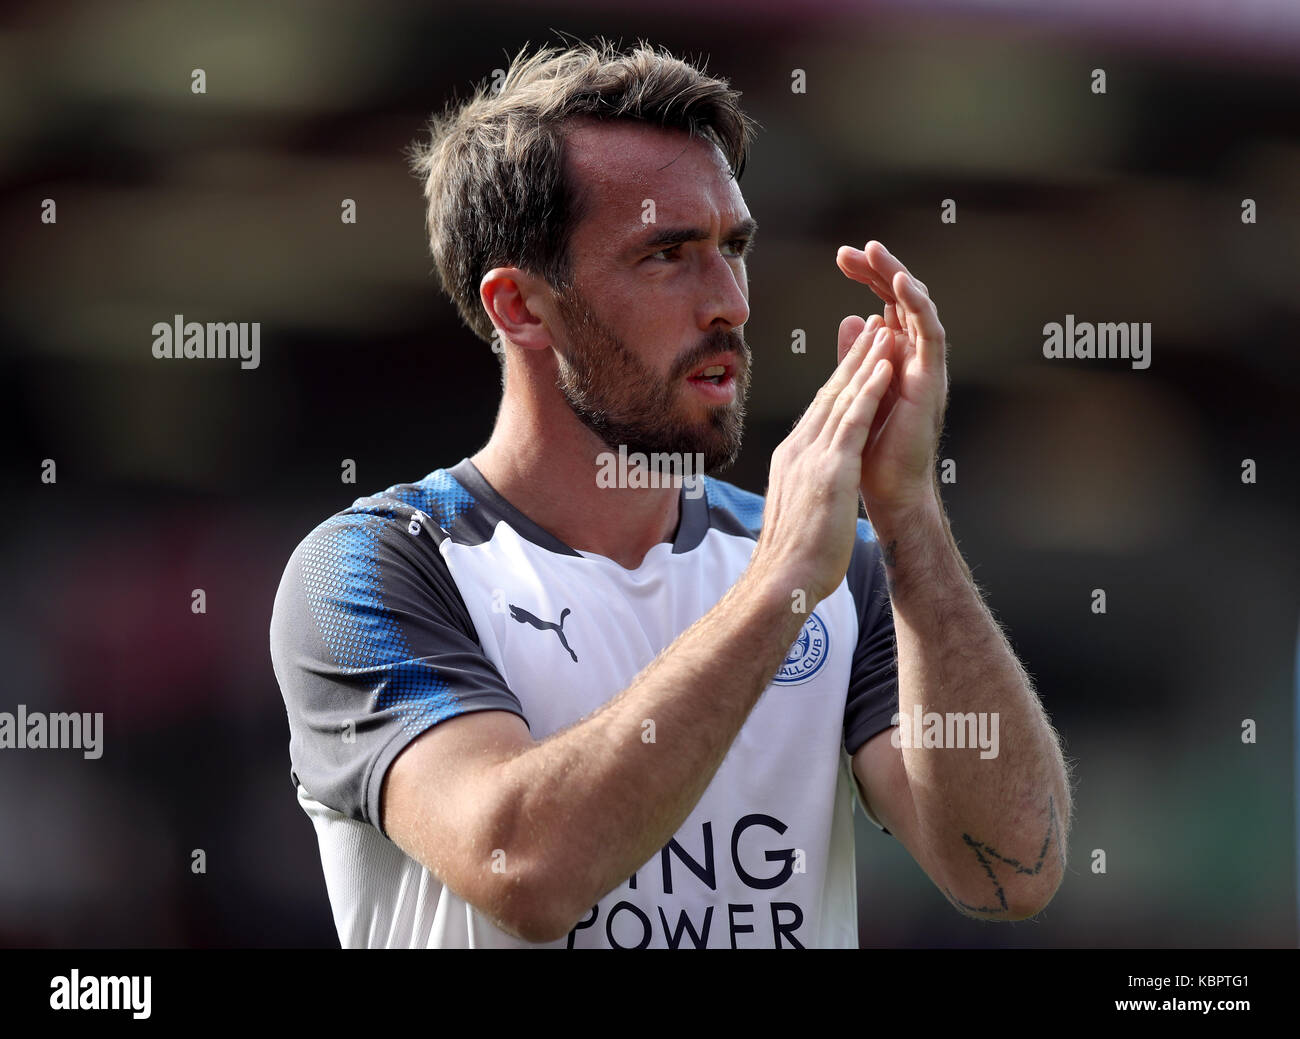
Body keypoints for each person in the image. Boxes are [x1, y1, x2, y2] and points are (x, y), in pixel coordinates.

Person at [269, 38, 1072, 949]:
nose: (729, 299)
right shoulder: (376, 568)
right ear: (520, 307)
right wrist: (776, 593)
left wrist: (913, 523)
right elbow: (523, 870)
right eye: (666, 254)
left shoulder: (841, 568)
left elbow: (1011, 868)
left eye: (733, 247)